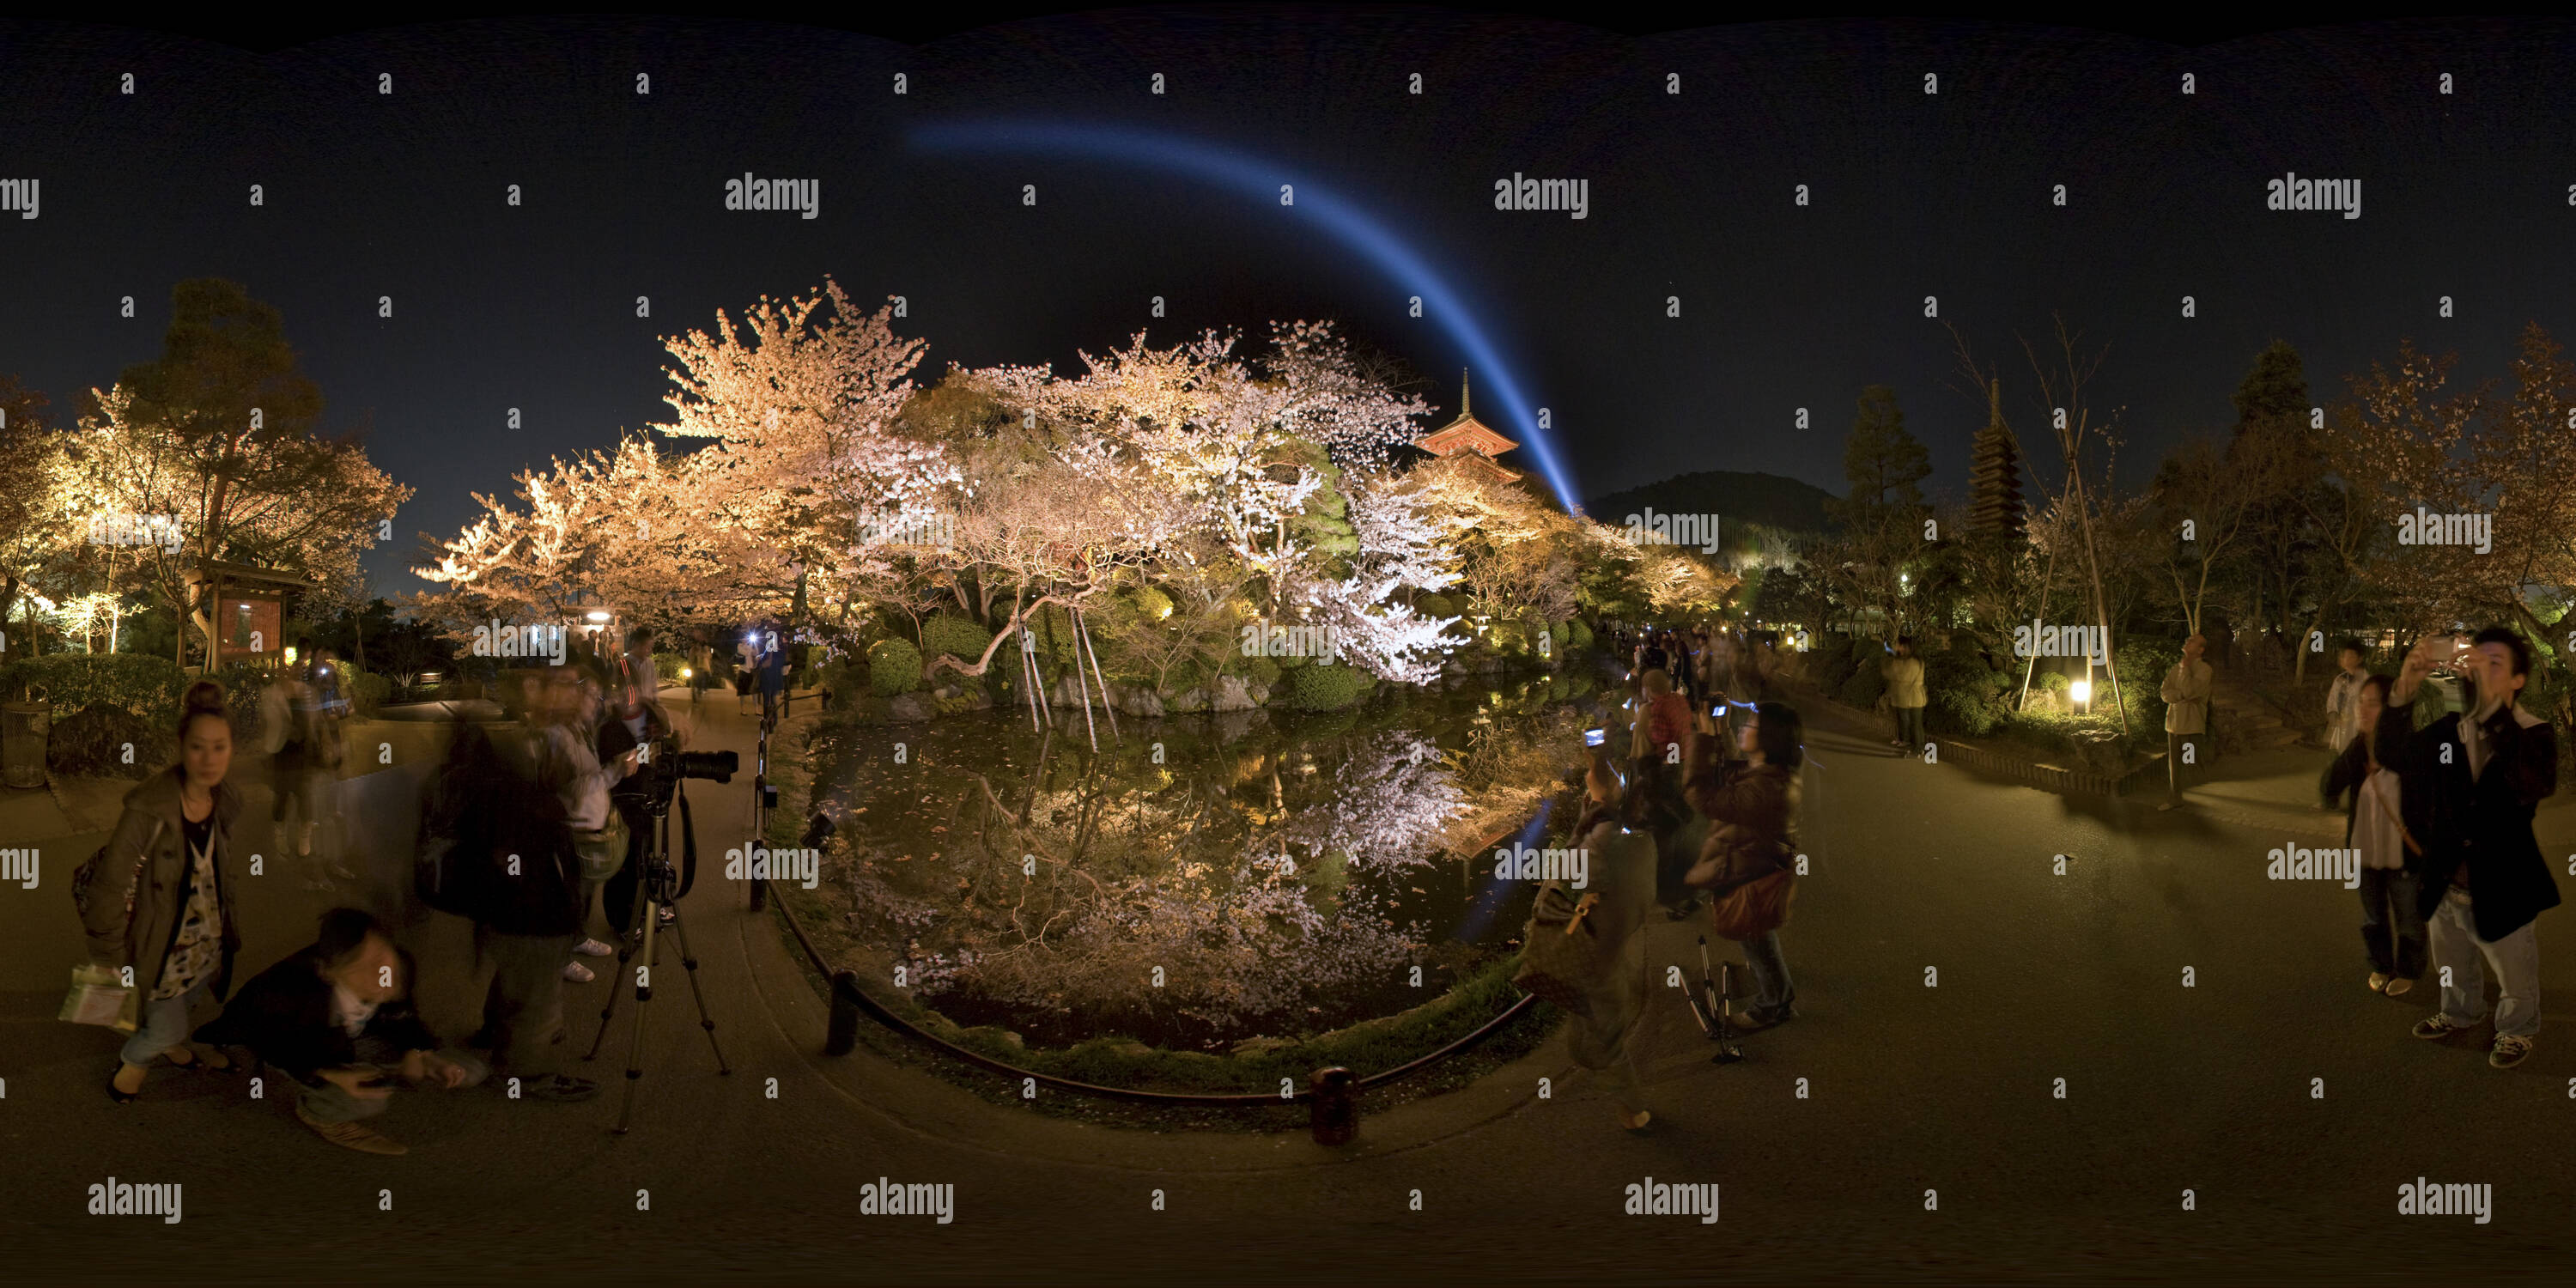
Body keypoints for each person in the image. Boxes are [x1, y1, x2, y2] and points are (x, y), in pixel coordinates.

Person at [2384, 628, 2560, 1069]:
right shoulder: (2450, 730)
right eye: (2476, 659)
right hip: (2446, 880)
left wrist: (2490, 708)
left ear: (2518, 680)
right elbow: (2395, 758)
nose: (2479, 665)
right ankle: (2461, 1011)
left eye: (2494, 662)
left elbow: (2530, 784)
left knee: (2513, 969)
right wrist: (2405, 684)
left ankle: (2518, 1028)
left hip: (2503, 881)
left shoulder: (2532, 732)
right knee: (2453, 961)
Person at [194, 908, 489, 1154]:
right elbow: (275, 1045)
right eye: (367, 967)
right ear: (329, 972)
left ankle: (373, 1067)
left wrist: (421, 1053)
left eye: (384, 955)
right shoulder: (288, 994)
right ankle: (318, 1113)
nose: (385, 974)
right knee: (361, 1096)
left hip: (347, 1034)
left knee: (468, 1069)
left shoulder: (397, 965)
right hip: (277, 1042)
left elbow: (403, 1018)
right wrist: (334, 1075)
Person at [87, 682, 248, 1102]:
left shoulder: (227, 800)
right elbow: (110, 883)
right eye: (198, 747)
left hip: (207, 937)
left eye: (219, 747)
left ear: (232, 749)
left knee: (191, 1000)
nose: (209, 759)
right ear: (181, 747)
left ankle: (174, 1043)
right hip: (160, 943)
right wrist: (107, 961)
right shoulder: (149, 808)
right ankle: (133, 1064)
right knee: (165, 1022)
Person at [1681, 699, 1805, 1027]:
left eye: (1749, 726)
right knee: (1758, 941)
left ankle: (1774, 1006)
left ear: (1768, 738)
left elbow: (1700, 795)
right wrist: (1715, 734)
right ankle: (1777, 995)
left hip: (1751, 877)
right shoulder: (1765, 773)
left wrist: (1704, 739)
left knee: (1757, 941)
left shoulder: (1765, 788)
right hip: (1750, 868)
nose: (1742, 727)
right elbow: (1725, 773)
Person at [2319, 674, 2422, 996]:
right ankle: (2380, 964)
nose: (2363, 708)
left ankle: (2408, 968)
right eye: (2360, 701)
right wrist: (2357, 747)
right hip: (2364, 850)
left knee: (2408, 917)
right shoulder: (2357, 750)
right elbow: (2328, 787)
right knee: (2372, 916)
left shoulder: (2410, 747)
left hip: (2401, 853)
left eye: (2373, 703)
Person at [2159, 634, 2214, 810]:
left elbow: (2190, 690)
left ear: (2200, 650)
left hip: (2191, 725)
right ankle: (2175, 798)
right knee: (2175, 764)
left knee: (2191, 762)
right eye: (2187, 639)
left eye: (2192, 641)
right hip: (2174, 724)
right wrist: (2180, 696)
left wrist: (2183, 690)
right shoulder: (2177, 668)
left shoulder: (2204, 670)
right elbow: (2164, 692)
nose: (2187, 641)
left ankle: (2202, 791)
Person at [1883, 635, 1928, 756]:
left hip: (1914, 697)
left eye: (1898, 644)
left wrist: (1892, 665)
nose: (1896, 647)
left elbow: (1900, 676)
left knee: (1916, 725)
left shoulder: (1913, 662)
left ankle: (1918, 749)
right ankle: (1917, 747)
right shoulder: (1904, 660)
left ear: (1904, 646)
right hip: (1907, 697)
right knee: (1912, 723)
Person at [2324, 640, 2370, 753]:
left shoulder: (2366, 681)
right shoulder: (2339, 680)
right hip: (2342, 728)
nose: (2347, 660)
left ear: (2360, 658)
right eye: (2345, 656)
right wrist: (2334, 717)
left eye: (2351, 656)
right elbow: (2332, 701)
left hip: (2359, 730)